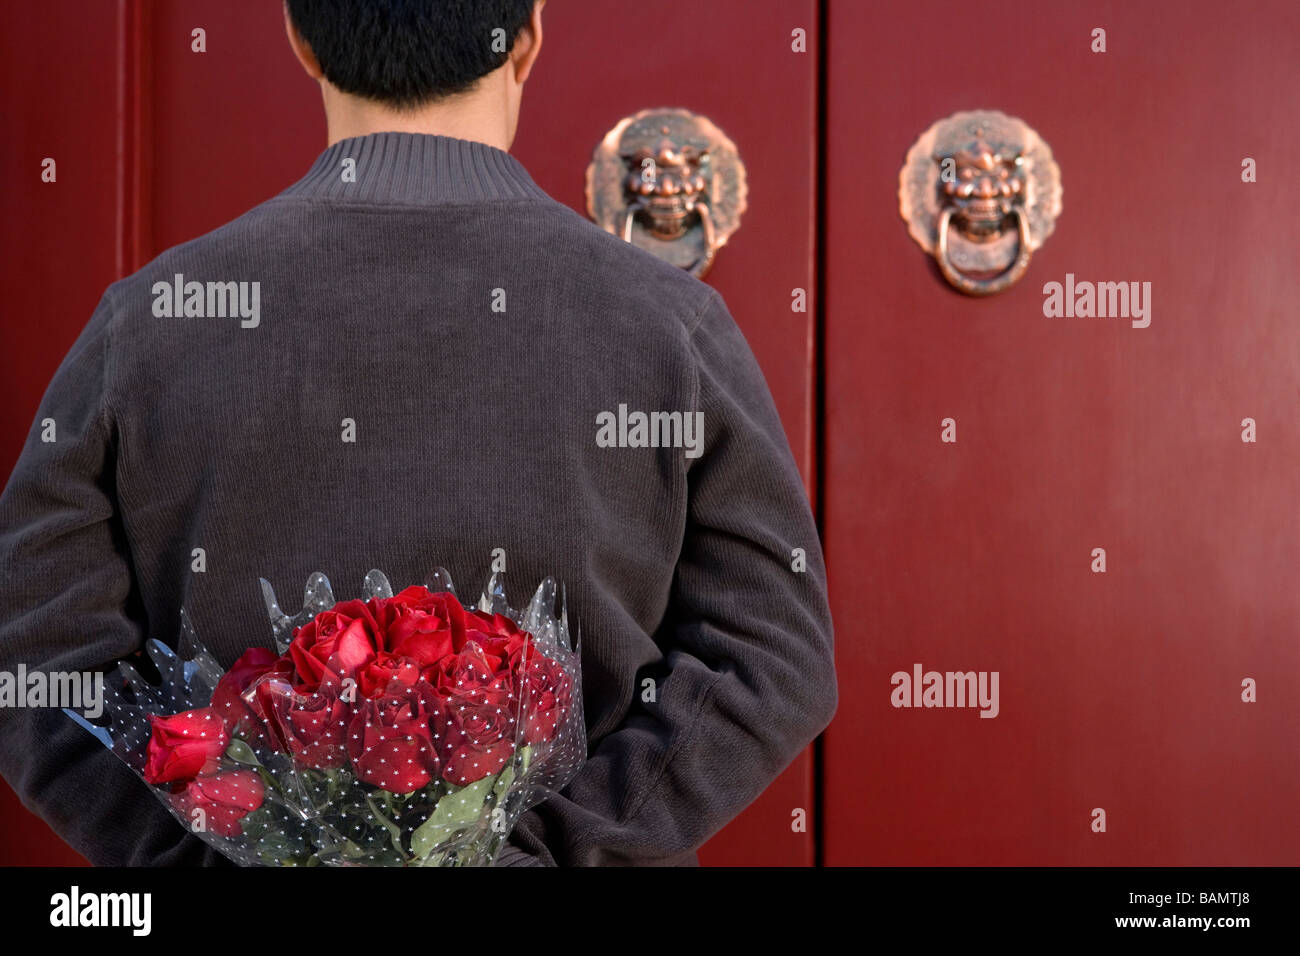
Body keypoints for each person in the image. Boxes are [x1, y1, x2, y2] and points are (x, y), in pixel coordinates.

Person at [0, 0, 836, 866]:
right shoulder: (671, 327)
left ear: (299, 36)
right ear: (528, 36)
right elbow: (775, 657)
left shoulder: (148, 322)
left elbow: (32, 656)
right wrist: (558, 853)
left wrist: (217, 855)